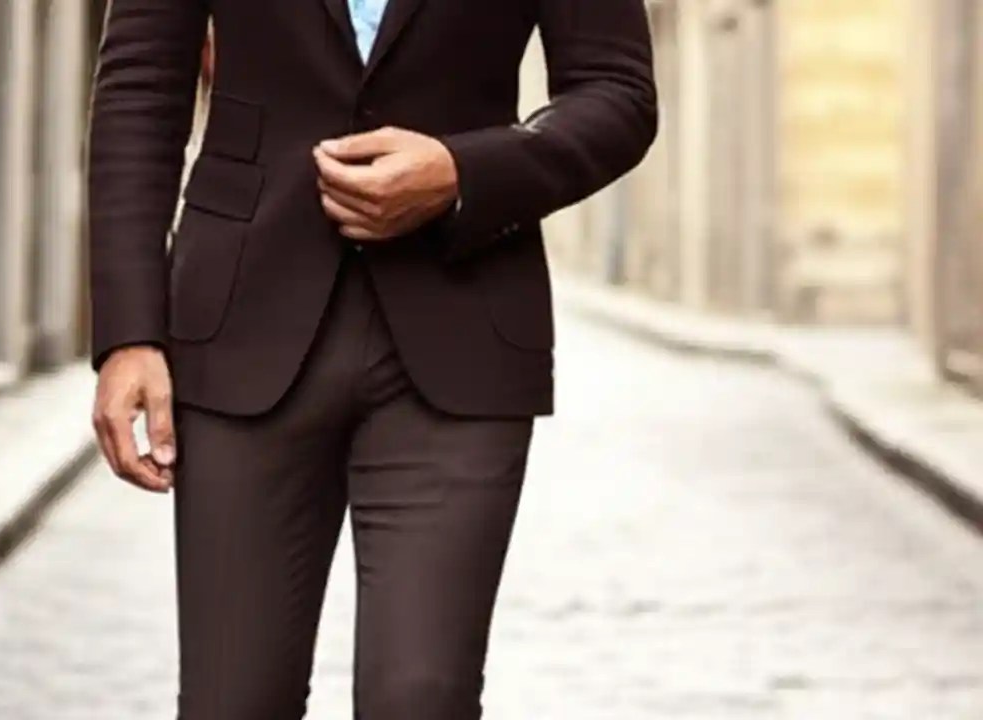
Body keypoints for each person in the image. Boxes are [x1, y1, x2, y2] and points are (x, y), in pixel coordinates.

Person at [87, 1, 656, 717]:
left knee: (421, 699)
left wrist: (461, 170)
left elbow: (618, 92)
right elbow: (141, 82)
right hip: (240, 319)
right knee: (232, 700)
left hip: (462, 323)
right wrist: (129, 332)